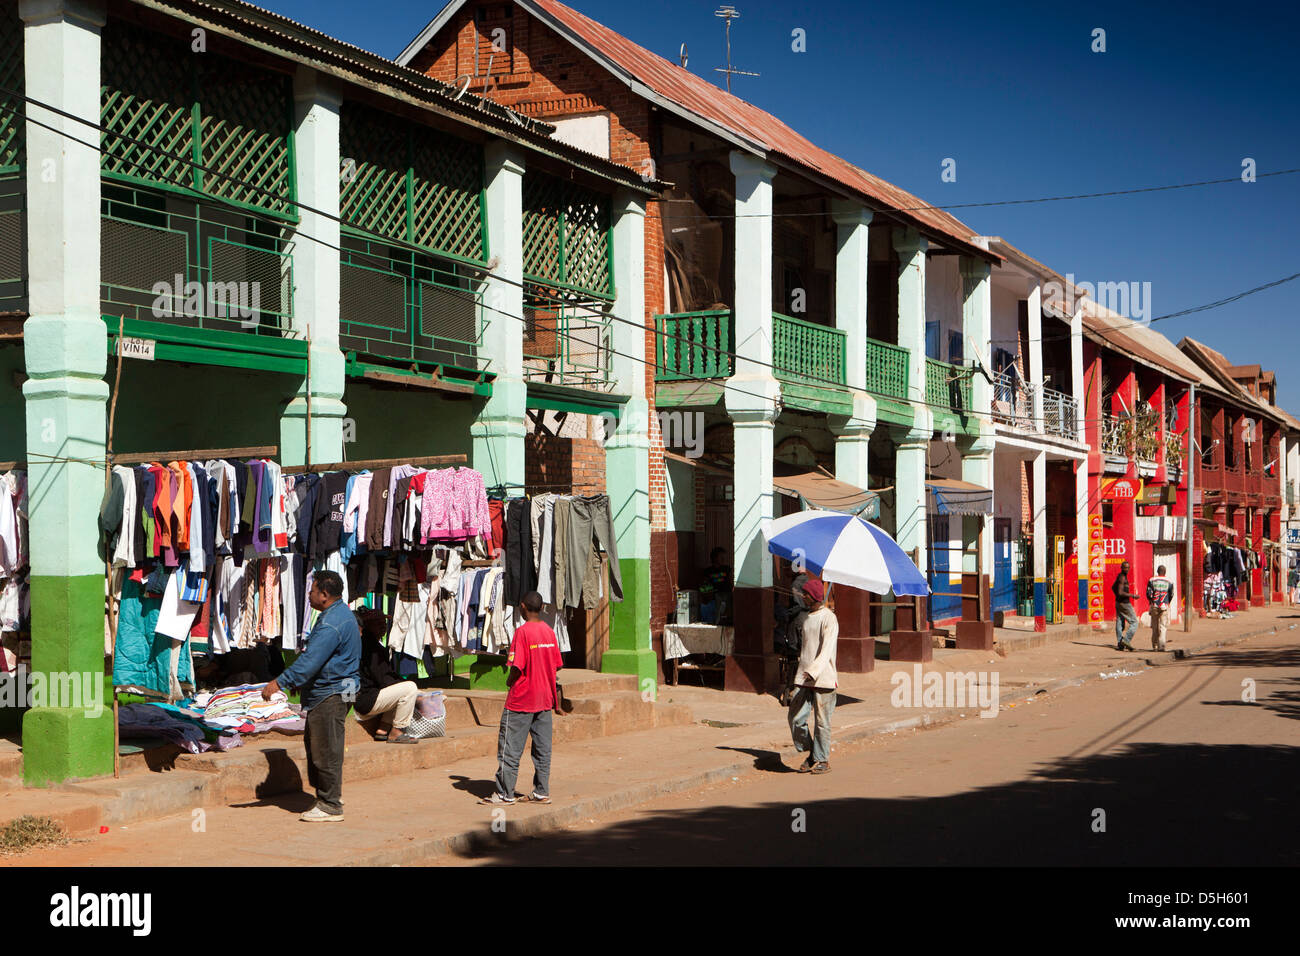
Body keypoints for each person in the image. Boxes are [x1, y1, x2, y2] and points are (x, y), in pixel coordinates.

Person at [262, 570, 360, 823]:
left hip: (332, 691)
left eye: (313, 590)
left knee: (325, 748)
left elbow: (310, 660)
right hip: (341, 688)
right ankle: (329, 794)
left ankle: (330, 804)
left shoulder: (330, 623)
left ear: (324, 595)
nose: (309, 594)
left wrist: (280, 682)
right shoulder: (339, 614)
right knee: (328, 743)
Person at [481, 591, 564, 806]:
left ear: (523, 607)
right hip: (545, 699)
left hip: (521, 700)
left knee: (510, 748)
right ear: (542, 607)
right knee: (543, 749)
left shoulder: (522, 632)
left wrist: (509, 681)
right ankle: (541, 792)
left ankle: (504, 794)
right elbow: (556, 666)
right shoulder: (549, 632)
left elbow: (517, 666)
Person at [788, 577, 838, 774]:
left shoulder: (829, 618)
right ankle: (812, 752)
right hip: (804, 677)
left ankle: (822, 759)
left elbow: (827, 649)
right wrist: (801, 673)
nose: (803, 597)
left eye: (806, 594)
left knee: (822, 722)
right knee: (796, 718)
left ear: (815, 597)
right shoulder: (807, 617)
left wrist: (813, 670)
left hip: (823, 678)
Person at [353, 607, 421, 743]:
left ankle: (383, 730)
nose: (383, 625)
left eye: (383, 621)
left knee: (401, 688)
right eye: (377, 622)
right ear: (367, 626)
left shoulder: (373, 644)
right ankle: (397, 732)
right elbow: (384, 678)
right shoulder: (370, 647)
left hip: (366, 698)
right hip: (365, 701)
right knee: (410, 689)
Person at [1145, 564, 1174, 651]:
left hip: (1154, 605)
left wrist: (1151, 601)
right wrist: (1167, 602)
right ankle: (1162, 646)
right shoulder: (1169, 581)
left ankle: (1155, 646)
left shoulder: (1152, 580)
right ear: (1165, 572)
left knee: (1154, 627)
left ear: (1157, 572)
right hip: (1164, 606)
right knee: (1163, 627)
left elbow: (1148, 593)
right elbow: (1171, 594)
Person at [1112, 561, 1138, 651]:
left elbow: (1113, 587)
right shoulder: (1122, 578)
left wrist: (1117, 597)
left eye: (1128, 568)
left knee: (1119, 622)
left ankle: (1120, 643)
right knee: (1134, 622)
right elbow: (1120, 592)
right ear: (1121, 568)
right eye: (1125, 567)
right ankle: (1126, 640)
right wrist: (1132, 595)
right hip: (1124, 603)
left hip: (1118, 602)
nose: (1126, 569)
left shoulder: (1121, 577)